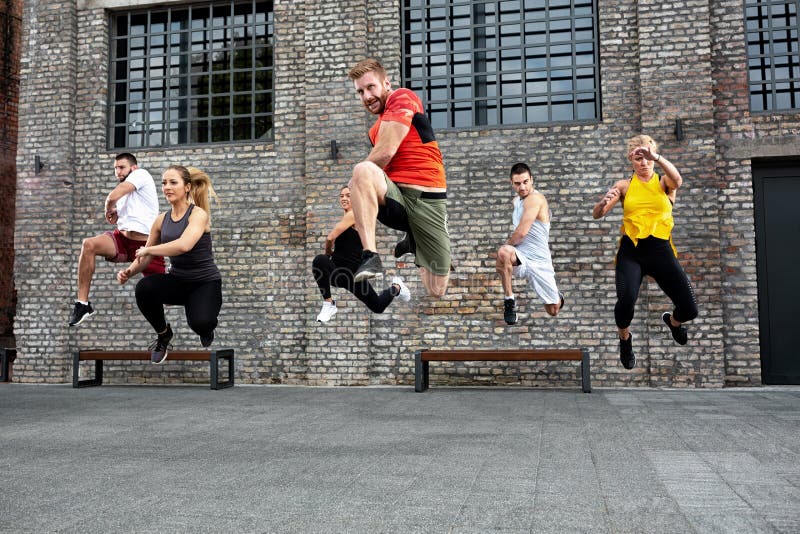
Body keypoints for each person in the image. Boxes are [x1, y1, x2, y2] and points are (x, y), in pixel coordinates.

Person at [592, 134, 699, 370]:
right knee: (627, 299)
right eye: (639, 158)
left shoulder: (664, 183)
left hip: (661, 251)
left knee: (690, 309)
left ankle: (673, 322)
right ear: (631, 160)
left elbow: (678, 180)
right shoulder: (624, 185)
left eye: (648, 157)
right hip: (632, 252)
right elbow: (598, 214)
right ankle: (625, 339)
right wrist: (603, 203)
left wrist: (657, 157)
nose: (644, 162)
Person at [346, 58, 451, 297]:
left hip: (427, 200)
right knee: (362, 171)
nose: (366, 96)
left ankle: (415, 238)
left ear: (387, 83)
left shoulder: (402, 97)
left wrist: (353, 187)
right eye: (360, 92)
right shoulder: (375, 129)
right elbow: (373, 169)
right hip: (396, 199)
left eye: (371, 87)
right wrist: (357, 189)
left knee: (436, 290)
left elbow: (385, 152)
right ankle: (370, 256)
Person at [116, 166, 221, 364]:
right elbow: (144, 258)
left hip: (204, 283)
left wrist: (149, 250)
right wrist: (129, 272)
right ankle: (164, 335)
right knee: (144, 288)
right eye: (164, 183)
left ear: (187, 187)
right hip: (178, 281)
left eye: (173, 182)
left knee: (200, 322)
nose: (167, 187)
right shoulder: (160, 220)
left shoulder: (198, 215)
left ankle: (206, 327)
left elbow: (184, 245)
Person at [68, 153, 165, 326]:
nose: (117, 172)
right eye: (115, 168)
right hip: (122, 241)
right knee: (89, 244)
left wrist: (108, 209)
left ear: (133, 167)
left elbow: (111, 198)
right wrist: (115, 212)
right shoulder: (126, 195)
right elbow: (124, 210)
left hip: (147, 246)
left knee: (167, 297)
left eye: (121, 167)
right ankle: (82, 304)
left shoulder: (141, 174)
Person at [312, 186, 411, 322]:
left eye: (348, 195)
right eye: (341, 196)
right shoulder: (346, 218)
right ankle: (328, 304)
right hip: (340, 273)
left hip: (351, 274)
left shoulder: (354, 215)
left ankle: (397, 287)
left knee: (378, 306)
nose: (344, 198)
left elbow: (330, 238)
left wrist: (328, 254)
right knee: (319, 261)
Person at [496, 163, 564, 325]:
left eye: (526, 182)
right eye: (518, 183)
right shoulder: (516, 201)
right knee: (503, 253)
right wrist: (506, 248)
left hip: (540, 260)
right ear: (511, 183)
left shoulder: (535, 199)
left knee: (553, 310)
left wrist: (509, 242)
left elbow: (520, 234)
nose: (522, 187)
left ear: (532, 180)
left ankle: (558, 296)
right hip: (521, 256)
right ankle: (509, 301)